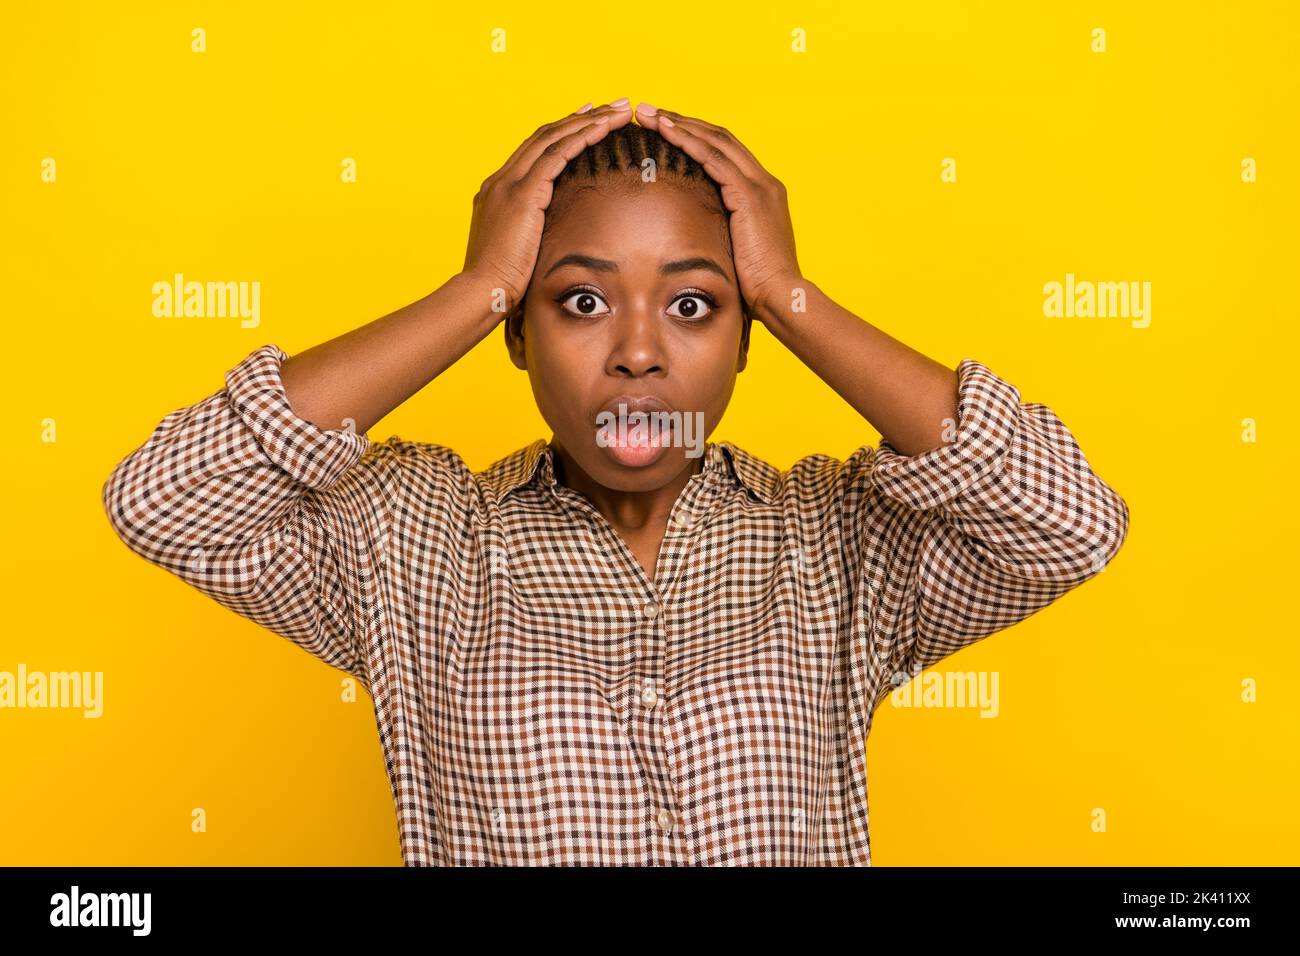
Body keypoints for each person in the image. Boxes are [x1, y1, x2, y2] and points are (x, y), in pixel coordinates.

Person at [102, 98, 1130, 866]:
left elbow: (1072, 521)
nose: (638, 352)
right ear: (516, 333)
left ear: (746, 339)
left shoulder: (834, 543)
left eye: (694, 306)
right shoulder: (410, 538)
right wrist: (472, 289)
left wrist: (790, 292)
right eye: (580, 299)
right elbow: (160, 497)